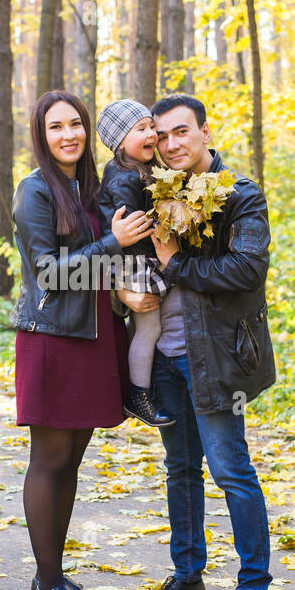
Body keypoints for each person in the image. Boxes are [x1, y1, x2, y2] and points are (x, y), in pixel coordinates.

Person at [10, 90, 156, 590]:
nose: (68, 134)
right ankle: (47, 588)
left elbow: (99, 268)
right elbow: (49, 273)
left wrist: (124, 291)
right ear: (41, 136)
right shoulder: (34, 191)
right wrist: (111, 244)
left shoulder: (89, 189)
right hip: (52, 340)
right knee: (49, 460)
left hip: (94, 337)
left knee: (71, 461)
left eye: (76, 124)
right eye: (56, 127)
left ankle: (53, 574)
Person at [132, 93, 278, 590]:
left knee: (231, 470)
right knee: (180, 470)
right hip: (166, 356)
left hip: (214, 358)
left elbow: (246, 272)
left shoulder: (239, 195)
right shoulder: (152, 192)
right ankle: (188, 578)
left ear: (205, 132)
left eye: (181, 133)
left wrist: (176, 264)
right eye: (161, 136)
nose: (171, 144)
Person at [95, 99, 174, 428]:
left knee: (145, 328)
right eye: (140, 129)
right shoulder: (124, 179)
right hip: (134, 262)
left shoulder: (132, 171)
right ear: (119, 141)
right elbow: (132, 226)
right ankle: (137, 394)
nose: (151, 134)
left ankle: (133, 385)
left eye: (151, 127)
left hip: (134, 259)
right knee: (150, 327)